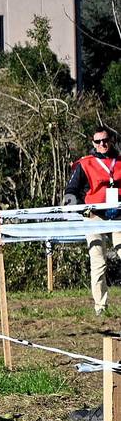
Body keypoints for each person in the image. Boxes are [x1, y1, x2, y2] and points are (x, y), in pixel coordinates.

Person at [65, 127, 121, 316]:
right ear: (93, 143)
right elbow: (71, 191)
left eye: (104, 140)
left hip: (118, 214)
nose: (102, 144)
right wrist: (80, 208)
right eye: (97, 142)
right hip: (94, 215)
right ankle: (101, 308)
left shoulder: (120, 161)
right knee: (98, 262)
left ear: (111, 140)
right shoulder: (84, 164)